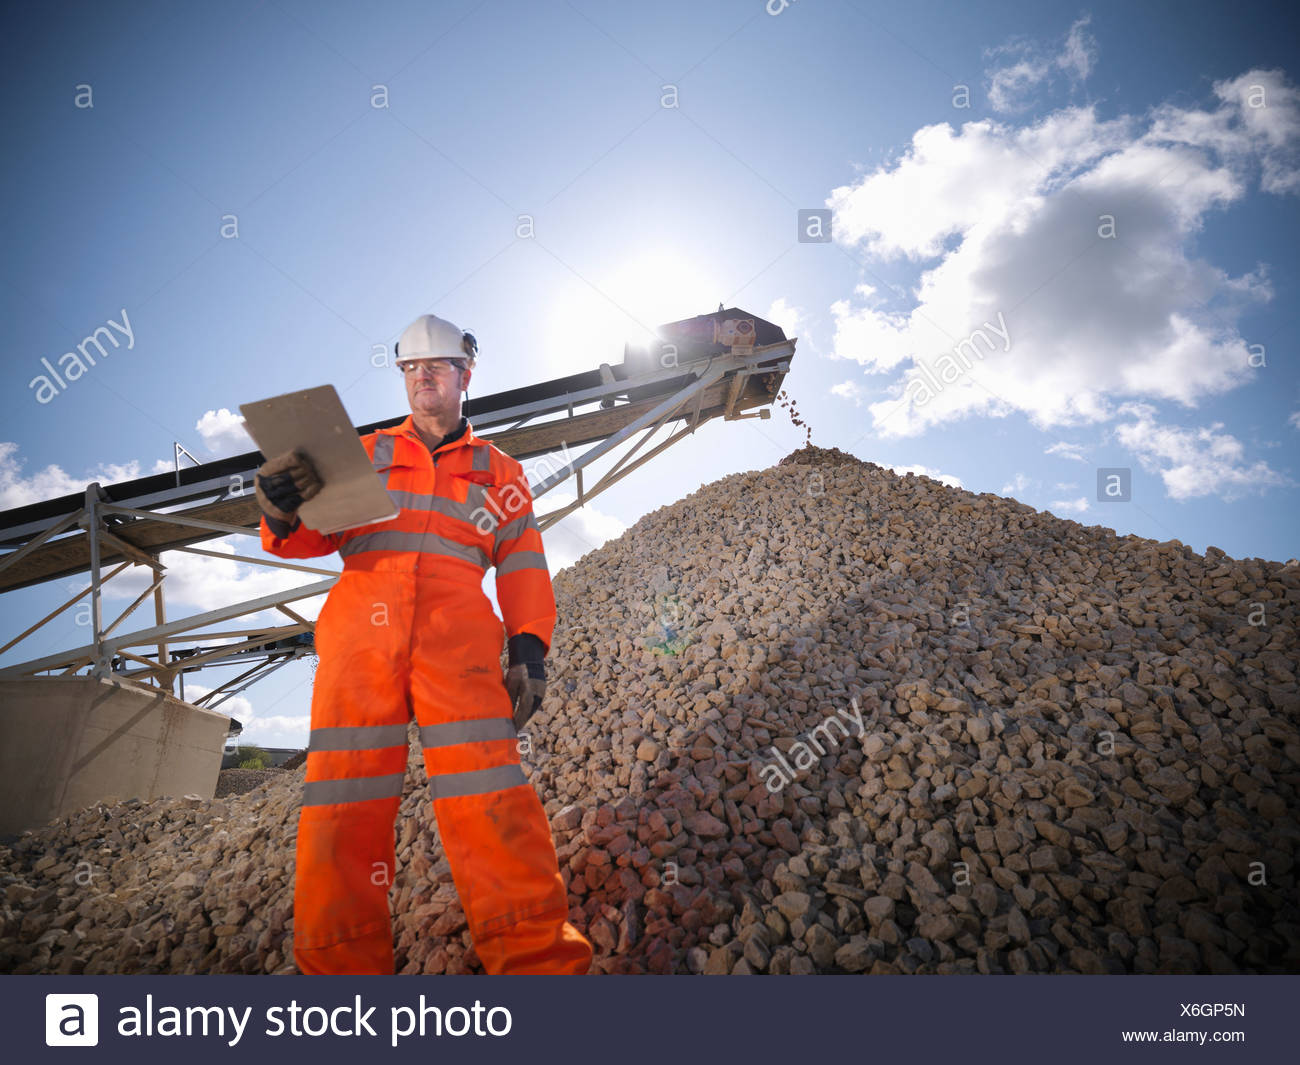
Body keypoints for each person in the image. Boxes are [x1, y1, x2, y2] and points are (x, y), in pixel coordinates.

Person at [254, 313, 592, 975]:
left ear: (465, 375)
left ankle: (539, 969)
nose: (423, 377)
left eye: (436, 366)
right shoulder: (365, 454)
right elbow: (308, 538)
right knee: (341, 811)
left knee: (492, 802)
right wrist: (278, 510)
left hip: (456, 638)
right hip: (362, 633)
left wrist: (529, 644)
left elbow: (522, 561)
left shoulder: (500, 472)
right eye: (411, 368)